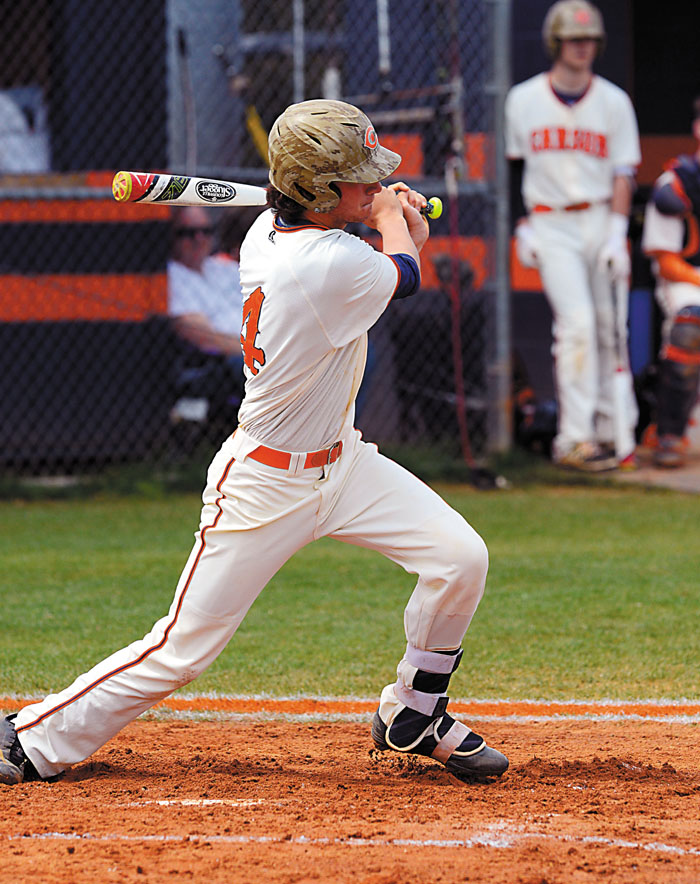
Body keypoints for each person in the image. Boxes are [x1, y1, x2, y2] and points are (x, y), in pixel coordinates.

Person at [1, 99, 508, 787]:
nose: (373, 183)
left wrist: (384, 215)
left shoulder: (273, 232)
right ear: (321, 194)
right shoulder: (323, 265)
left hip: (344, 464)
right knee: (182, 648)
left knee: (459, 558)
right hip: (265, 483)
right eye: (359, 178)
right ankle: (30, 738)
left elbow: (383, 250)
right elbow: (405, 274)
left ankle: (414, 712)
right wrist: (394, 219)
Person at [504, 0, 641, 471]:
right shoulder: (523, 99)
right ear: (555, 43)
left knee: (609, 330)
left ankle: (610, 431)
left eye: (589, 40)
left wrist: (618, 232)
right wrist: (521, 225)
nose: (582, 48)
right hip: (551, 221)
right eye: (573, 40)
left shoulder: (613, 101)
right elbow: (511, 169)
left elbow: (624, 172)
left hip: (601, 217)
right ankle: (573, 439)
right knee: (578, 326)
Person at [641, 97, 700, 468]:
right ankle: (670, 432)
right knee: (691, 321)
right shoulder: (678, 182)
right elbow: (665, 262)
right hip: (688, 282)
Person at [168, 206, 246, 420]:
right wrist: (255, 350)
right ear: (171, 237)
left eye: (206, 231)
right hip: (219, 362)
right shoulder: (172, 277)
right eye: (187, 233)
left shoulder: (224, 269)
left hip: (262, 346)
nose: (199, 239)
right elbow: (200, 336)